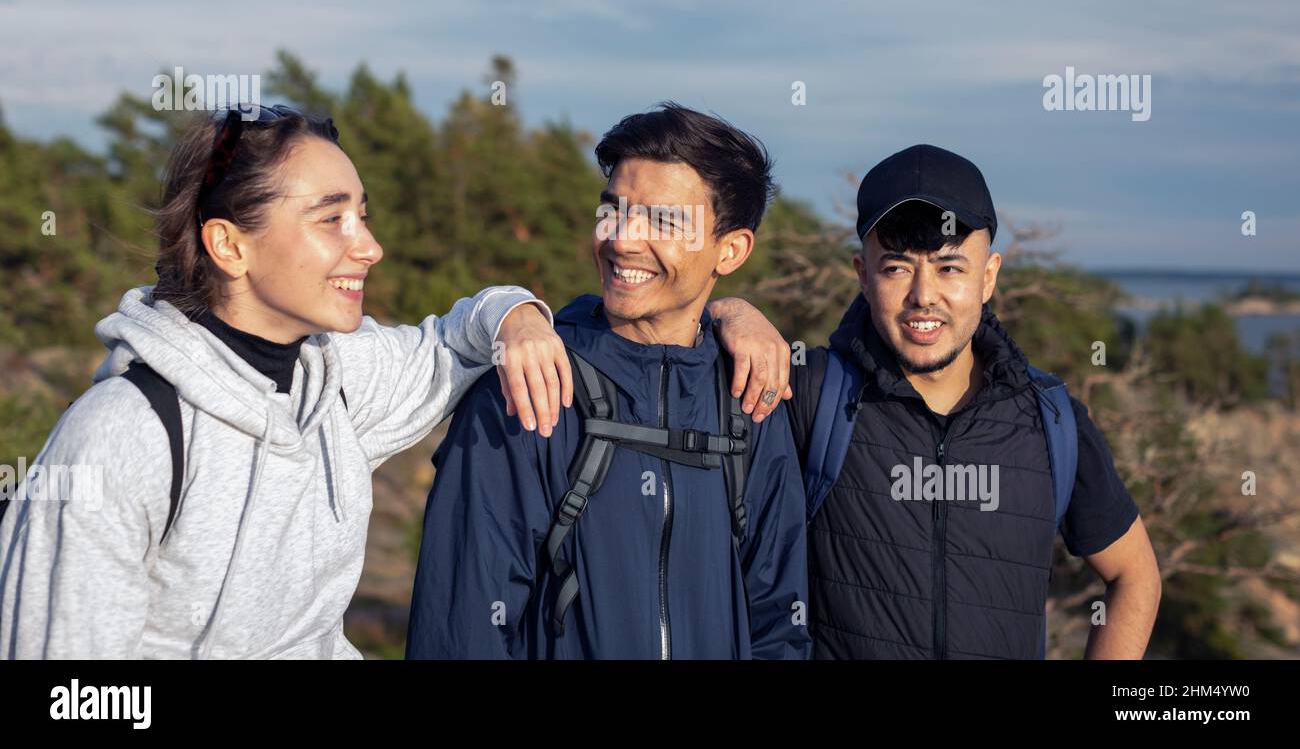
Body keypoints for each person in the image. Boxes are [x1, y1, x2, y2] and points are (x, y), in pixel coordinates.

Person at [0, 104, 571, 659]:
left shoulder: (337, 379)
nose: (371, 248)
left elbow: (456, 338)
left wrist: (515, 318)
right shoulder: (120, 436)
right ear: (229, 245)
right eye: (331, 220)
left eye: (362, 216)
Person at [712, 145, 1161, 659]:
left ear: (988, 276)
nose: (923, 295)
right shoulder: (808, 393)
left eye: (950, 268)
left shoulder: (1051, 419)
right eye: (897, 268)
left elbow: (1135, 576)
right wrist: (728, 311)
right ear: (863, 274)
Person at [406, 103, 810, 659]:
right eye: (613, 212)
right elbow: (461, 632)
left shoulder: (749, 397)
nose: (622, 241)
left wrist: (735, 312)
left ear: (731, 250)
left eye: (663, 221)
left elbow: (780, 622)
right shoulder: (529, 387)